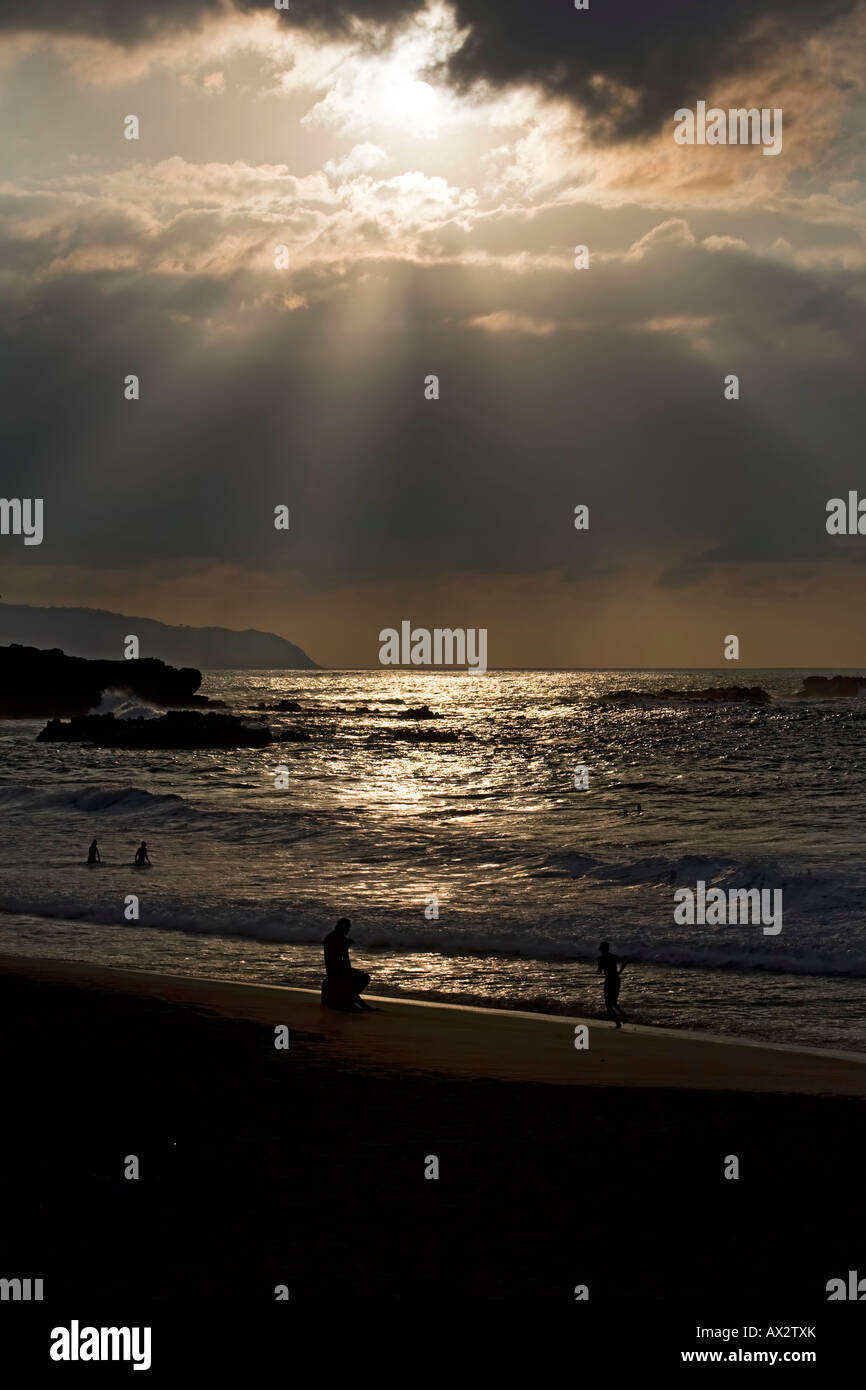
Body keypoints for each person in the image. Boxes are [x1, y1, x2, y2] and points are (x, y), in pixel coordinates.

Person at [323, 918, 372, 1011]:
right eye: (347, 928)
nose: (348, 930)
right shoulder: (340, 939)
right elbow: (344, 960)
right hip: (336, 971)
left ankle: (351, 1001)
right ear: (343, 927)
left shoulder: (332, 936)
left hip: (332, 969)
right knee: (365, 978)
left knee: (356, 977)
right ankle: (348, 1001)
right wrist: (346, 946)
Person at [597, 941, 628, 1027]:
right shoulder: (613, 956)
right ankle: (622, 1015)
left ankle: (618, 1021)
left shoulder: (600, 959)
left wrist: (599, 969)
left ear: (601, 949)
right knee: (613, 1002)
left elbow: (599, 970)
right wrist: (619, 972)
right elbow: (624, 962)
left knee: (608, 1004)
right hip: (616, 980)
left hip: (609, 981)